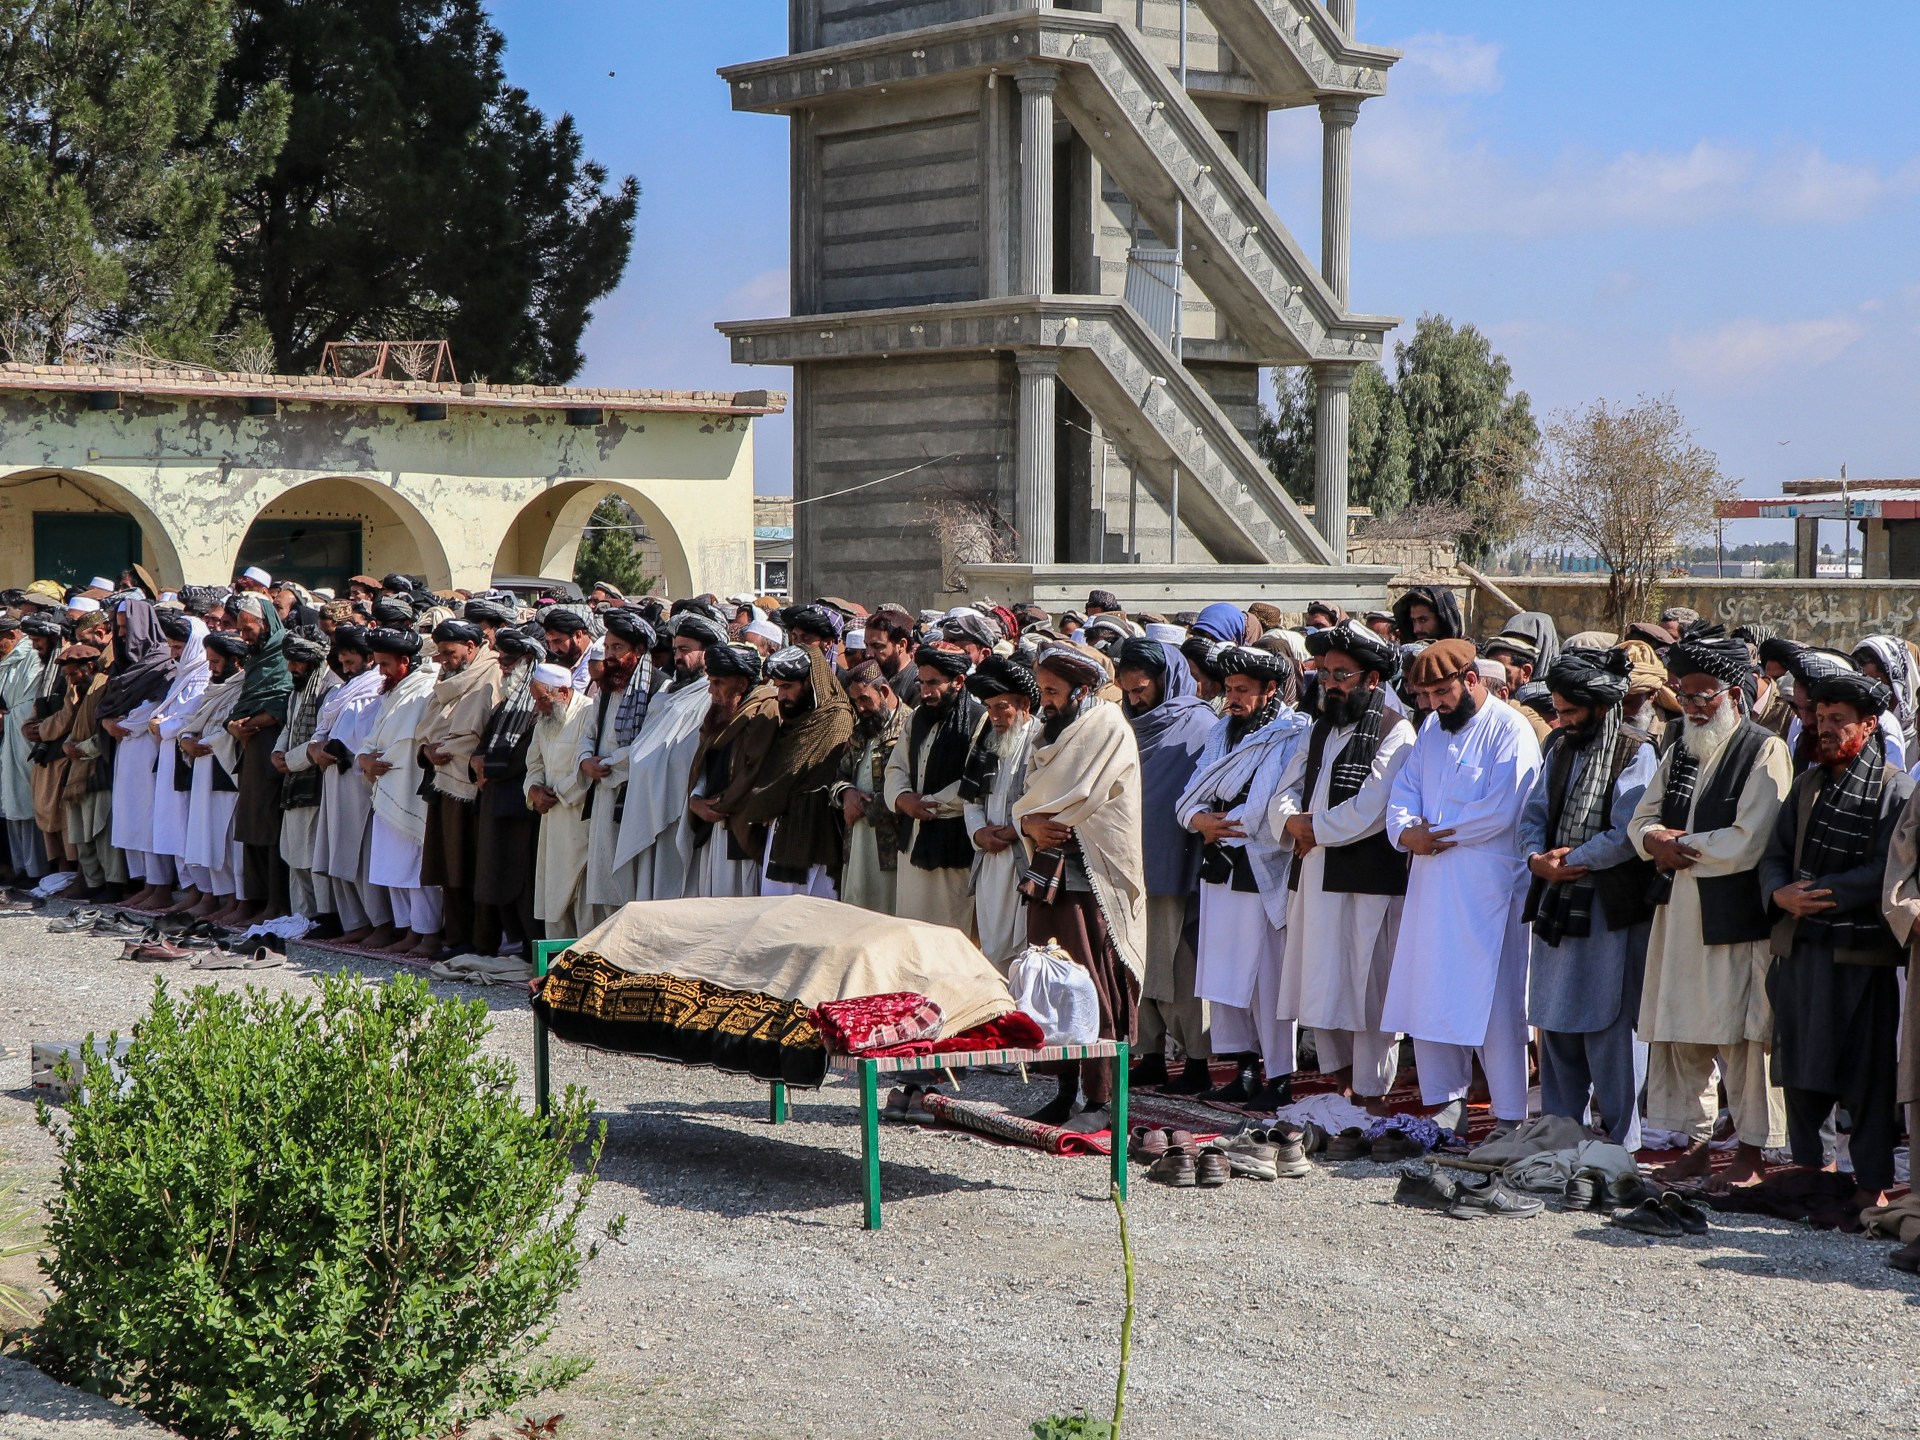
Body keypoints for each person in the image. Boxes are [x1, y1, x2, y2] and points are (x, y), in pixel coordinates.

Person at [1628, 627, 1791, 1191]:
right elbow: (1640, 818)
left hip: (1733, 918)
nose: (1694, 707)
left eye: (1706, 697)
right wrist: (1652, 842)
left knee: (1743, 1040)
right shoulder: (1677, 746)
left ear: (1735, 694)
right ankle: (1695, 1146)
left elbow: (1750, 839)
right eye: (1687, 696)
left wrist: (1675, 849)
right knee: (1683, 1033)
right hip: (1678, 916)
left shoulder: (1764, 748)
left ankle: (1749, 1154)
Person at [1758, 671, 1911, 1208]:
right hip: (1801, 947)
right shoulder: (1807, 784)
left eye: (1837, 720)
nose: (1824, 729)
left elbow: (1887, 869)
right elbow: (1774, 854)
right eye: (1819, 718)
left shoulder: (1894, 786)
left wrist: (1819, 893)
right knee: (1800, 1067)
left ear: (1868, 725)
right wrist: (1780, 895)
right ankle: (1812, 1176)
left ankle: (1871, 1186)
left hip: (1860, 954)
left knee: (1865, 1075)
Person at [1382, 638, 1544, 1135]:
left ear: (1471, 679)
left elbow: (1504, 809)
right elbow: (1404, 790)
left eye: (1441, 693)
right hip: (1432, 884)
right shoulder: (1430, 728)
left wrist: (1434, 833)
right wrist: (1406, 831)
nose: (1433, 705)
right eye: (1425, 696)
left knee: (1493, 1004)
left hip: (1487, 891)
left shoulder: (1509, 729)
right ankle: (1443, 1103)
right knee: (1430, 989)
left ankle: (1510, 1114)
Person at [1273, 619, 1415, 1106]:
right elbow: (1285, 790)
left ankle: (1372, 1093)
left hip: (1366, 880)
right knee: (1319, 981)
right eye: (1325, 673)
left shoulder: (1397, 733)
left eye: (1341, 675)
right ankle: (1339, 1085)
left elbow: (1373, 809)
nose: (1329, 684)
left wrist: (1312, 830)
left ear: (1372, 680)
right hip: (1314, 874)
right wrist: (1291, 822)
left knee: (1368, 984)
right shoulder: (1320, 729)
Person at [1519, 648, 1657, 1145]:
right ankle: (1560, 1134)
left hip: (1609, 907)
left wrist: (1571, 863)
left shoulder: (1636, 751)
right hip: (1558, 902)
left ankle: (1623, 1144)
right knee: (1555, 1022)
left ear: (1600, 707)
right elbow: (1534, 813)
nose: (1562, 719)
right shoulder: (1559, 747)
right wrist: (1538, 860)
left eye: (1571, 710)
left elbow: (1628, 832)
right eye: (1557, 709)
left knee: (1611, 1028)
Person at [1012, 643, 1147, 1132]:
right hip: (1049, 873)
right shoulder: (1048, 730)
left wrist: (1039, 817)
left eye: (1054, 691)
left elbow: (1083, 797)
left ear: (1082, 690)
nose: (1045, 699)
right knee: (1050, 981)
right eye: (1042, 689)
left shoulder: (1106, 727)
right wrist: (1030, 823)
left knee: (1092, 984)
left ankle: (1101, 1100)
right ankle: (1065, 1090)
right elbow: (1028, 796)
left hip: (1091, 877)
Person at [1176, 645, 1312, 1109]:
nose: (1232, 698)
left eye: (1243, 690)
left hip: (1260, 866)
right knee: (1226, 975)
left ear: (1270, 690)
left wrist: (1223, 821)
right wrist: (1199, 820)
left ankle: (1279, 1079)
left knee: (1268, 979)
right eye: (1229, 689)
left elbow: (1272, 801)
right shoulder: (1221, 732)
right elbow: (1194, 788)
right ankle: (1245, 1070)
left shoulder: (1293, 733)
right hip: (1219, 864)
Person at [1113, 633, 1216, 1093]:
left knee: (1180, 964)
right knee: (1135, 961)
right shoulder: (1120, 725)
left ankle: (1197, 1061)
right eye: (1128, 691)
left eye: (1142, 690)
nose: (1135, 700)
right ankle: (1148, 1054)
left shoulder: (1199, 724)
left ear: (1166, 679)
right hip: (1128, 861)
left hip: (1177, 861)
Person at [609, 612, 716, 909]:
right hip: (648, 803)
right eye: (676, 649)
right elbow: (647, 744)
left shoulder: (707, 697)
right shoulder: (666, 694)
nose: (677, 656)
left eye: (685, 650)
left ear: (706, 652)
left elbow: (692, 753)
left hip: (676, 809)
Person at [738, 644, 855, 898]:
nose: (781, 697)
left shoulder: (836, 719)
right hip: (782, 834)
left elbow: (795, 778)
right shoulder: (792, 724)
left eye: (788, 687)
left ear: (811, 683)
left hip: (818, 840)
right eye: (778, 687)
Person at [417, 619, 503, 958]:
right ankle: (456, 938)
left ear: (471, 647)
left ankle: (480, 942)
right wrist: (427, 750)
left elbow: (484, 731)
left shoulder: (490, 676)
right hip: (442, 782)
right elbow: (426, 729)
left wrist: (452, 751)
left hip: (471, 785)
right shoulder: (446, 680)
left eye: (450, 653)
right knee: (448, 865)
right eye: (440, 654)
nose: (444, 660)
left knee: (473, 866)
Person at [886, 646, 984, 935]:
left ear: (958, 681)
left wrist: (927, 805)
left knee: (948, 935)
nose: (926, 692)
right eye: (921, 682)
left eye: (933, 683)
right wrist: (903, 799)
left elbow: (973, 783)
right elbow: (896, 768)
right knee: (911, 934)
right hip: (913, 841)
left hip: (952, 848)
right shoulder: (917, 718)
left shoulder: (980, 719)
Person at [357, 628, 443, 957]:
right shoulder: (394, 691)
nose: (381, 671)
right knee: (392, 867)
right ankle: (407, 930)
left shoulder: (424, 687)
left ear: (405, 661)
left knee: (416, 868)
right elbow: (373, 738)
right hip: (385, 789)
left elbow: (415, 739)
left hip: (411, 790)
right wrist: (364, 759)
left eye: (385, 664)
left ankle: (429, 934)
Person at [309, 628, 393, 944]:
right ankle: (355, 923)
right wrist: (315, 748)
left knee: (362, 853)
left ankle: (382, 924)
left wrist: (340, 748)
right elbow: (323, 730)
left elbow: (369, 737)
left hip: (359, 784)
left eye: (352, 661)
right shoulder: (342, 693)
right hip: (334, 782)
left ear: (370, 658)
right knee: (337, 852)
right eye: (342, 663)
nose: (347, 668)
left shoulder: (375, 690)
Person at [470, 627, 549, 954]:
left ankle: (532, 948)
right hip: (494, 802)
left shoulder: (541, 705)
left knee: (525, 882)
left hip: (522, 808)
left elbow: (532, 754)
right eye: (501, 659)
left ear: (528, 661)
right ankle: (504, 943)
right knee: (494, 877)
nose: (502, 667)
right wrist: (476, 762)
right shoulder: (506, 707)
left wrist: (492, 766)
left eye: (509, 660)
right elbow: (482, 746)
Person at [961, 655, 1042, 969]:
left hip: (1023, 859)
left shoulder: (1040, 741)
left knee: (1021, 953)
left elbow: (1043, 803)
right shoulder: (987, 740)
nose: (993, 716)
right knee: (990, 952)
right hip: (990, 858)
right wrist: (979, 832)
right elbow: (971, 800)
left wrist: (1012, 830)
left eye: (1001, 707)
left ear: (1023, 704)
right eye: (989, 707)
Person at [680, 642, 778, 898]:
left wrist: (721, 805)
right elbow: (704, 761)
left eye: (718, 683)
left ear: (742, 685)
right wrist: (696, 800)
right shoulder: (720, 711)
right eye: (710, 681)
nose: (711, 690)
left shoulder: (764, 710)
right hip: (713, 827)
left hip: (740, 830)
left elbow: (754, 771)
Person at [97, 599, 176, 907]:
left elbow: (157, 707)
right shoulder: (122, 666)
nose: (120, 634)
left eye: (124, 627)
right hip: (126, 747)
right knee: (131, 816)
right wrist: (106, 722)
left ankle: (161, 886)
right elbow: (107, 705)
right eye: (116, 628)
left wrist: (123, 723)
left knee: (148, 816)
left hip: (147, 746)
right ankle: (143, 882)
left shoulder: (163, 662)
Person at [225, 594, 294, 924]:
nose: (243, 636)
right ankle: (254, 899)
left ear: (265, 623)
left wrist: (249, 724)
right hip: (251, 747)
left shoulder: (281, 655)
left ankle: (276, 903)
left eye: (248, 628)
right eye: (239, 630)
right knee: (251, 825)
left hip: (271, 745)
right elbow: (242, 704)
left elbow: (282, 704)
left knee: (269, 827)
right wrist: (234, 726)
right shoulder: (255, 660)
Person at [179, 633, 251, 919]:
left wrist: (207, 743)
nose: (212, 668)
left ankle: (240, 900)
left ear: (235, 660)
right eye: (209, 661)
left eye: (217, 662)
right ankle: (219, 896)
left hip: (226, 768)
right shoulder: (212, 688)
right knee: (207, 836)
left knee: (231, 840)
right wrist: (186, 740)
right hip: (203, 770)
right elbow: (192, 722)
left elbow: (232, 727)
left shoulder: (243, 687)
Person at [270, 631, 340, 928]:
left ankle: (325, 916)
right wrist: (277, 751)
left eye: (296, 662)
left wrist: (291, 759)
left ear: (312, 661)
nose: (291, 668)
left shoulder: (331, 688)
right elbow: (290, 725)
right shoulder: (298, 690)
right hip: (294, 780)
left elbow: (319, 741)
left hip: (317, 782)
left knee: (314, 854)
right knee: (293, 851)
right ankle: (303, 916)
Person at [526, 663, 596, 940]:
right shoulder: (545, 720)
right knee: (553, 894)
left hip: (579, 820)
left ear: (564, 693)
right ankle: (555, 970)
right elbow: (534, 762)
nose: (537, 706)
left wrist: (556, 794)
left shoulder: (588, 713)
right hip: (551, 823)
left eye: (542, 698)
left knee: (582, 896)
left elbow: (586, 767)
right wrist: (533, 790)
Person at [149, 614, 211, 913]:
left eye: (178, 647)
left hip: (187, 759)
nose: (174, 654)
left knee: (187, 825)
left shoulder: (204, 673)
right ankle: (189, 889)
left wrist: (162, 726)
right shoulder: (185, 673)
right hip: (171, 755)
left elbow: (190, 717)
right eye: (171, 646)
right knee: (172, 825)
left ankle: (203, 891)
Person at [833, 660, 906, 914]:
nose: (860, 708)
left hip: (890, 847)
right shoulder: (860, 730)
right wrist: (846, 794)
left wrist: (866, 806)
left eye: (864, 699)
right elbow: (839, 775)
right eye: (855, 702)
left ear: (884, 692)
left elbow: (911, 786)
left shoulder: (909, 726)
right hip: (856, 843)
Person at [0, 617, 49, 885]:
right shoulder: (6, 660)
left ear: (11, 634)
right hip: (6, 742)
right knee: (10, 803)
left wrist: (7, 718)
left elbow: (31, 702)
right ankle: (18, 866)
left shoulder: (29, 658)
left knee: (26, 800)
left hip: (22, 740)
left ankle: (35, 869)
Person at [864, 607, 921, 708]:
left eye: (877, 646)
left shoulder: (918, 685)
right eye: (866, 646)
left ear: (902, 645)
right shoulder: (876, 677)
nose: (868, 654)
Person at [1391, 585, 1463, 643]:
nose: (1416, 629)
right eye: (1413, 621)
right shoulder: (1402, 653)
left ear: (1441, 619)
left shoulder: (1466, 653)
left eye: (1423, 620)